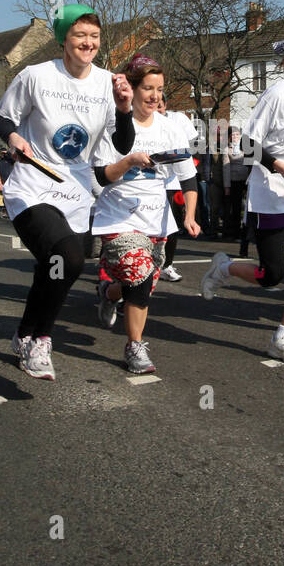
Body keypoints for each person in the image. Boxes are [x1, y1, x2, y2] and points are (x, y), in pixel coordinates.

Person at [0, 3, 135, 380]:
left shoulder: (107, 83)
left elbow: (122, 145)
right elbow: (4, 116)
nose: (88, 42)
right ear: (63, 40)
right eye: (79, 35)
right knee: (69, 259)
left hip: (75, 190)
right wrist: (13, 139)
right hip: (31, 185)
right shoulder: (36, 76)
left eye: (94, 36)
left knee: (53, 267)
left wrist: (124, 109)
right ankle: (41, 340)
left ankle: (23, 334)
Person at [201, 31, 284, 365]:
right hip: (270, 195)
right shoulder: (277, 94)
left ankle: (282, 337)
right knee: (271, 276)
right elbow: (247, 144)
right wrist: (279, 166)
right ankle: (225, 267)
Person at [92, 55, 198, 373]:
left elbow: (188, 176)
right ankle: (135, 347)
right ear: (133, 89)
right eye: (148, 88)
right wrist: (128, 162)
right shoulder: (114, 125)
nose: (155, 96)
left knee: (143, 283)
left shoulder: (169, 128)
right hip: (118, 218)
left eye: (160, 90)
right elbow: (100, 176)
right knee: (138, 278)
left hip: (157, 220)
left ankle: (109, 293)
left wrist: (190, 216)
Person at [157, 102, 199, 282]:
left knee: (171, 227)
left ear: (165, 105)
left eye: (160, 105)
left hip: (173, 183)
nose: (157, 108)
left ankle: (167, 266)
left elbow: (192, 144)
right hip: (150, 183)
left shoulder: (178, 120)